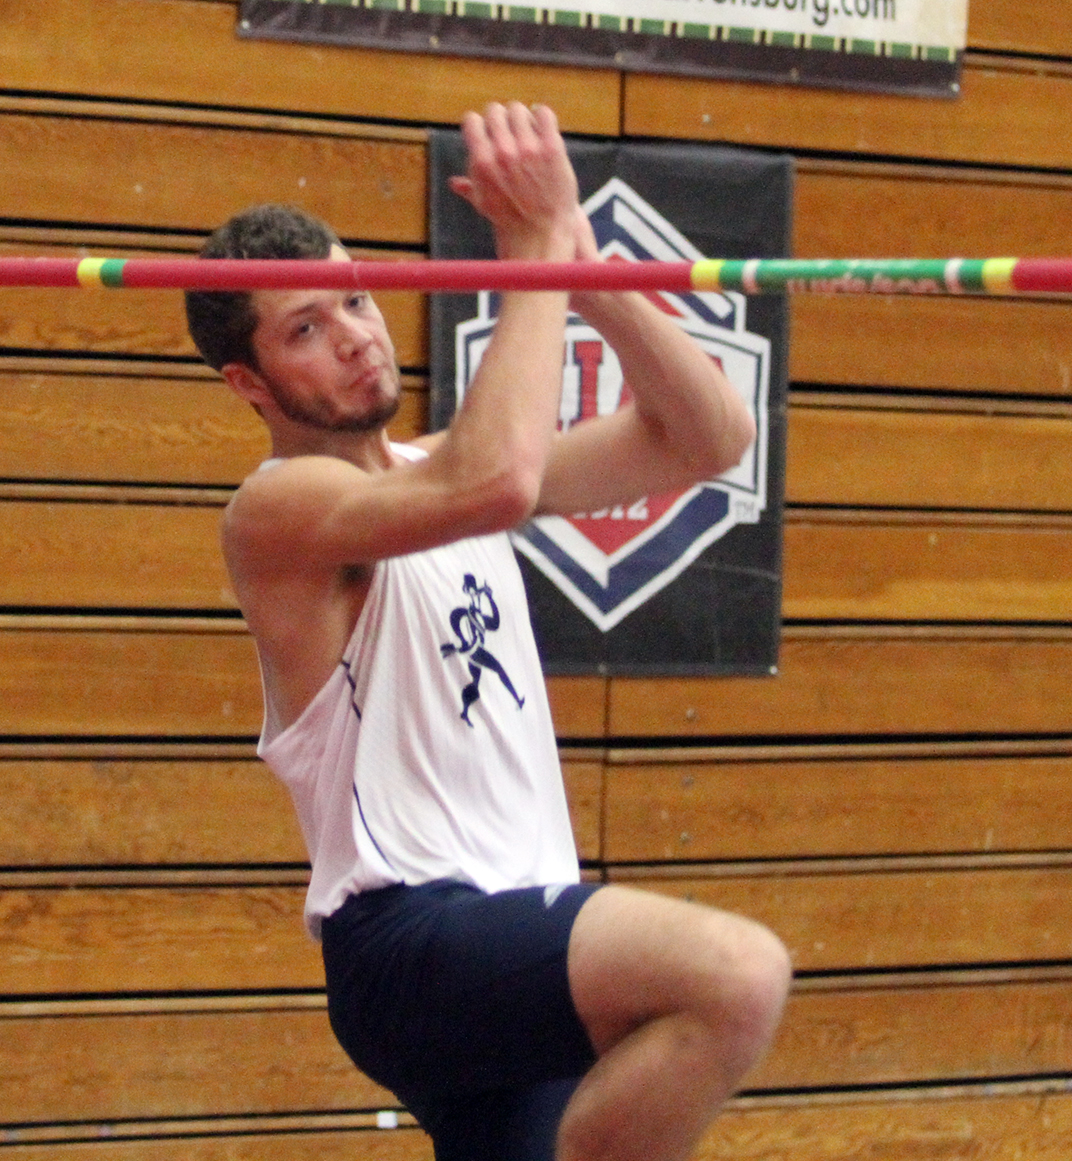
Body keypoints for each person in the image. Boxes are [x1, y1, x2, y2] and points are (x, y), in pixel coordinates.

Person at [185, 101, 790, 1161]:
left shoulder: (437, 471)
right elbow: (498, 480)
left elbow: (709, 435)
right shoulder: (278, 510)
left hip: (509, 934)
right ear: (249, 383)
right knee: (735, 974)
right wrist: (535, 257)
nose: (356, 336)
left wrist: (584, 267)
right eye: (305, 330)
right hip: (413, 941)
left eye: (355, 298)